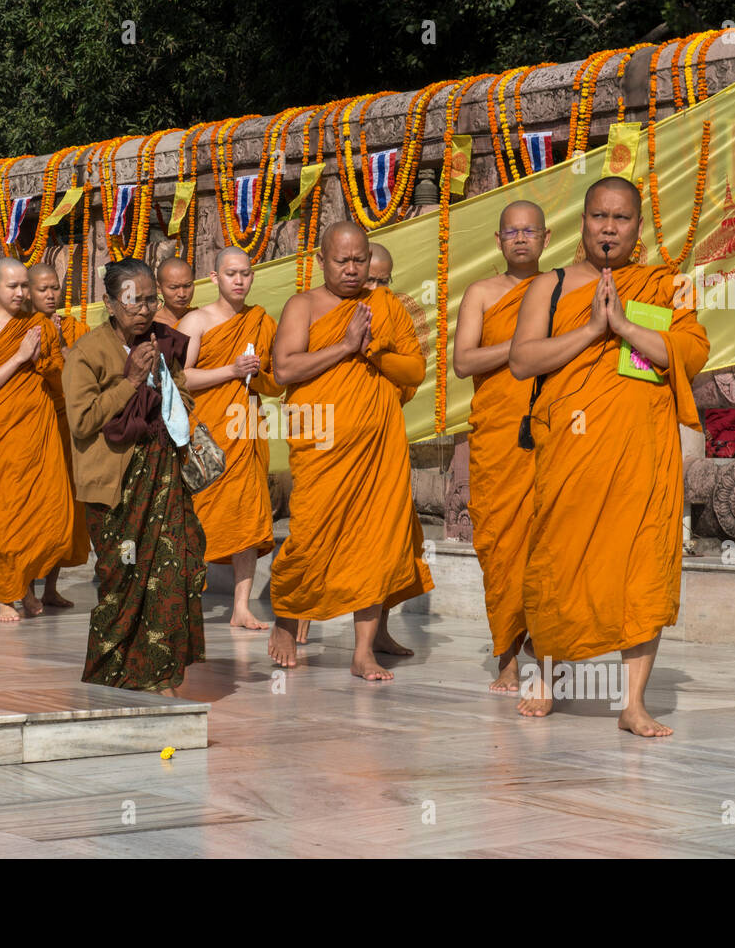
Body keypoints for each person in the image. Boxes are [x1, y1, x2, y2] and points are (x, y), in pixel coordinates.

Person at [508, 176, 710, 737]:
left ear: (638, 228)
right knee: (560, 561)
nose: (609, 228)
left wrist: (623, 326)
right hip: (571, 452)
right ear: (584, 222)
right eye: (600, 216)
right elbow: (524, 361)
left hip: (642, 455)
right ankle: (549, 679)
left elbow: (690, 353)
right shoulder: (548, 287)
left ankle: (633, 703)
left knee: (644, 570)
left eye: (621, 219)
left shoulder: (665, 285)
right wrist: (594, 328)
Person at [268, 221, 432, 681]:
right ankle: (287, 616)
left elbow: (415, 371)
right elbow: (284, 369)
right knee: (309, 534)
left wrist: (376, 352)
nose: (353, 269)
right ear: (321, 261)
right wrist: (344, 347)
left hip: (378, 445)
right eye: (342, 260)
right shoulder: (303, 305)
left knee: (375, 543)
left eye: (360, 260)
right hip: (323, 446)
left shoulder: (385, 307)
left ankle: (363, 651)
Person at [63, 258, 206, 693]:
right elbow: (83, 422)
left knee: (169, 573)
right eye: (133, 301)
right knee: (123, 580)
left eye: (151, 300)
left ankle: (158, 673)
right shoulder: (87, 353)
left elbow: (181, 393)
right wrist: (130, 382)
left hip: (163, 473)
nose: (144, 310)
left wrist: (164, 390)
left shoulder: (163, 343)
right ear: (109, 303)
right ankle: (113, 669)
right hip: (117, 487)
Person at [452, 201, 549, 694]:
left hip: (551, 432)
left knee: (548, 542)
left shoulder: (559, 288)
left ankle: (546, 640)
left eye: (529, 230)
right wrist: (521, 347)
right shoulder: (482, 293)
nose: (520, 239)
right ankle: (507, 653)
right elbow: (464, 362)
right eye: (511, 231)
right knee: (500, 543)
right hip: (498, 434)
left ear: (546, 239)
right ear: (497, 241)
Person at [0, 258, 77, 622]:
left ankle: (26, 584)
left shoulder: (39, 325)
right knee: (4, 511)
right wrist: (19, 357)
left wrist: (54, 350)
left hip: (40, 427)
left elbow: (60, 377)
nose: (20, 292)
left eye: (24, 285)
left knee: (49, 513)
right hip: (3, 431)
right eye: (12, 286)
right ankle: (3, 594)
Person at [178, 246, 281, 630]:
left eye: (246, 273)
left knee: (248, 519)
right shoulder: (196, 322)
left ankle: (241, 606)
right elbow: (181, 377)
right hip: (205, 436)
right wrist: (231, 370)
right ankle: (186, 597)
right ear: (215, 278)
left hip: (245, 431)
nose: (240, 281)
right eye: (232, 274)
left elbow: (272, 380)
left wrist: (263, 374)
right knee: (199, 515)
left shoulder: (261, 322)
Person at [26, 262, 90, 608]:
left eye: (54, 289)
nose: (50, 295)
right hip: (34, 423)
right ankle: (27, 588)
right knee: (38, 506)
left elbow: (92, 367)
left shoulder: (75, 328)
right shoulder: (20, 329)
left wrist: (65, 350)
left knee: (66, 507)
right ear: (29, 292)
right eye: (43, 289)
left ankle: (51, 586)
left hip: (69, 424)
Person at [155, 256, 196, 327]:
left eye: (187, 286)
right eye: (173, 287)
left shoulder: (201, 318)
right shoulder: (151, 324)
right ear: (159, 288)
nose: (182, 294)